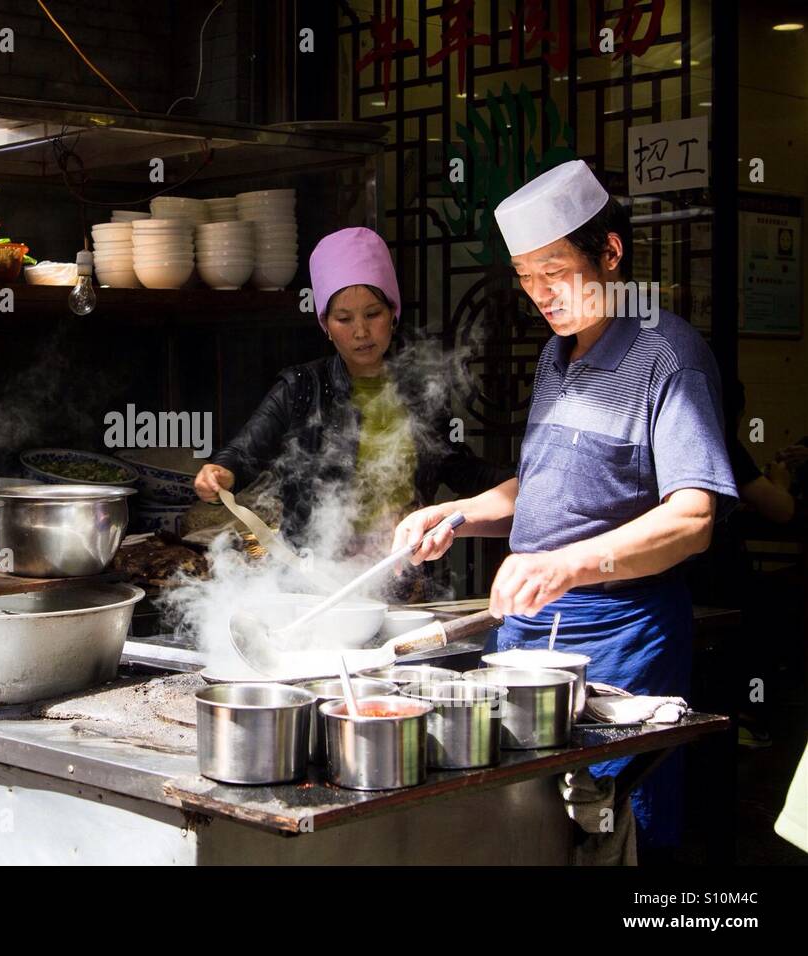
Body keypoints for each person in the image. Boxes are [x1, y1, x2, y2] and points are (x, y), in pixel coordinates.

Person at [392, 160, 739, 853]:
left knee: (615, 828)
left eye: (553, 271)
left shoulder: (669, 356)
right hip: (525, 636)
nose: (538, 293)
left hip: (619, 640)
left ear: (610, 254)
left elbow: (693, 517)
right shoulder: (558, 356)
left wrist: (566, 567)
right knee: (526, 827)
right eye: (525, 275)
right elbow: (545, 487)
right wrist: (459, 513)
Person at [193, 226, 508, 599]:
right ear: (325, 325)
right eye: (344, 319)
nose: (361, 331)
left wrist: (527, 485)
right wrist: (219, 474)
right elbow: (243, 453)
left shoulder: (418, 392)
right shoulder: (301, 387)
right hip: (313, 579)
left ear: (393, 312)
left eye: (373, 313)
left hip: (400, 575)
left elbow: (457, 466)